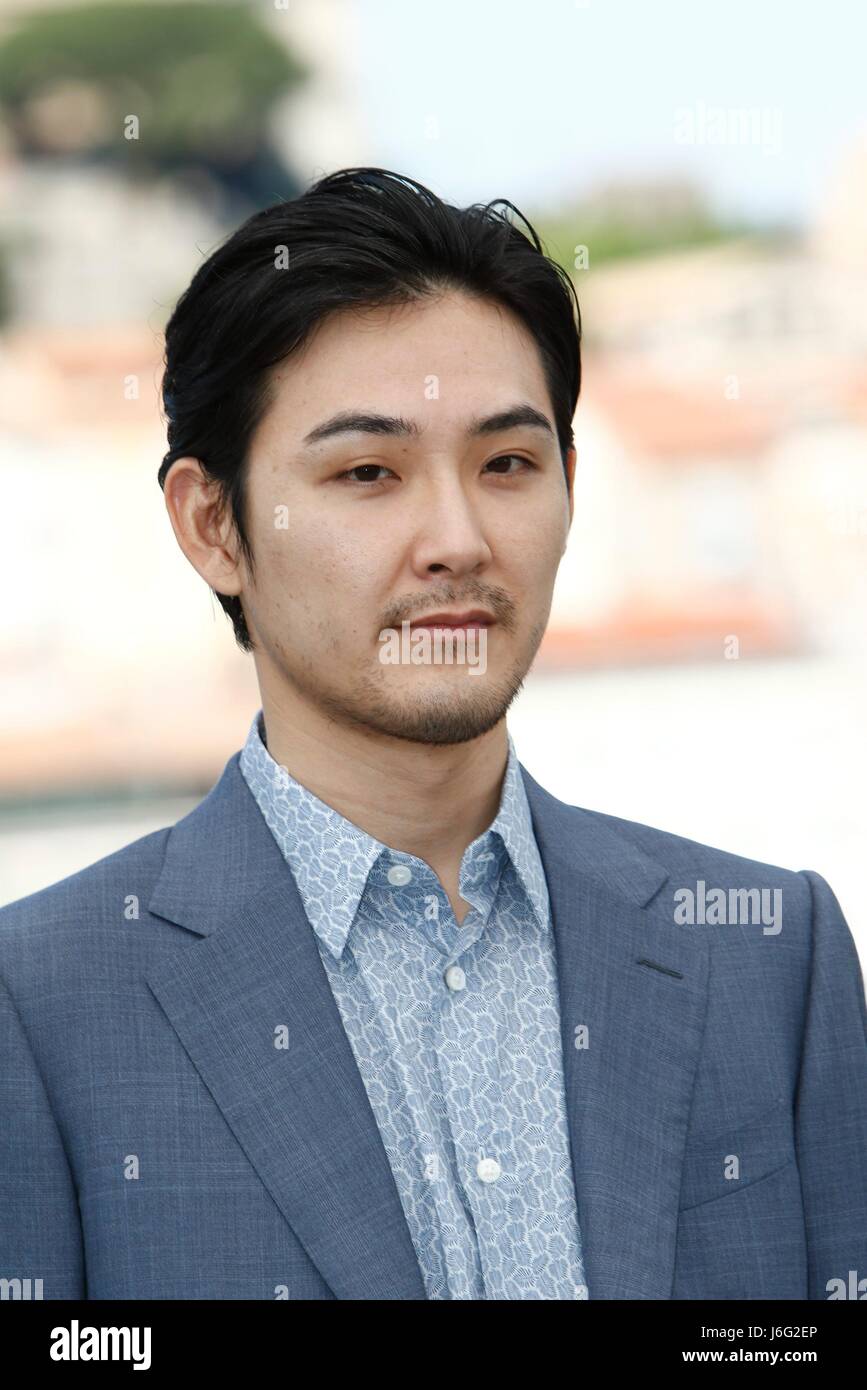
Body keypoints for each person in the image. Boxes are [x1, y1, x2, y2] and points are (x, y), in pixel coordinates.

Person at [1, 168, 865, 1301]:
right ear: (213, 526)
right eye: (369, 472)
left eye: (508, 463)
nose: (457, 538)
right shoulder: (41, 1007)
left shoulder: (769, 957)